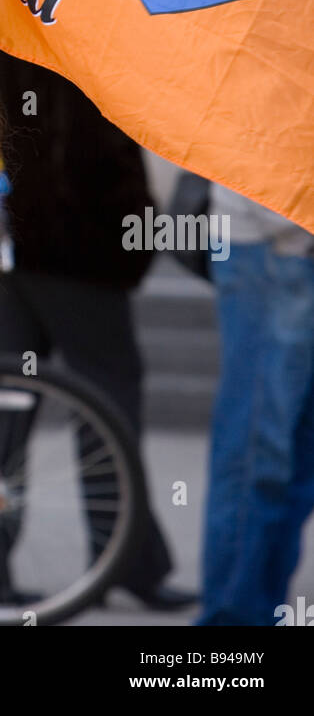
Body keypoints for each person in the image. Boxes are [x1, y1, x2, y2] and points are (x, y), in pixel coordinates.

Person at [0, 38, 198, 610]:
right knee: (108, 409)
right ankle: (125, 559)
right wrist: (130, 239)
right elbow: (97, 154)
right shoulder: (81, 30)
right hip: (78, 255)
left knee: (6, 406)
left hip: (11, 249)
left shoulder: (5, 26)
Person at [195, 183, 314, 627]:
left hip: (284, 242)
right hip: (273, 242)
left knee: (291, 455)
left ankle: (256, 609)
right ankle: (233, 620)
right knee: (257, 448)